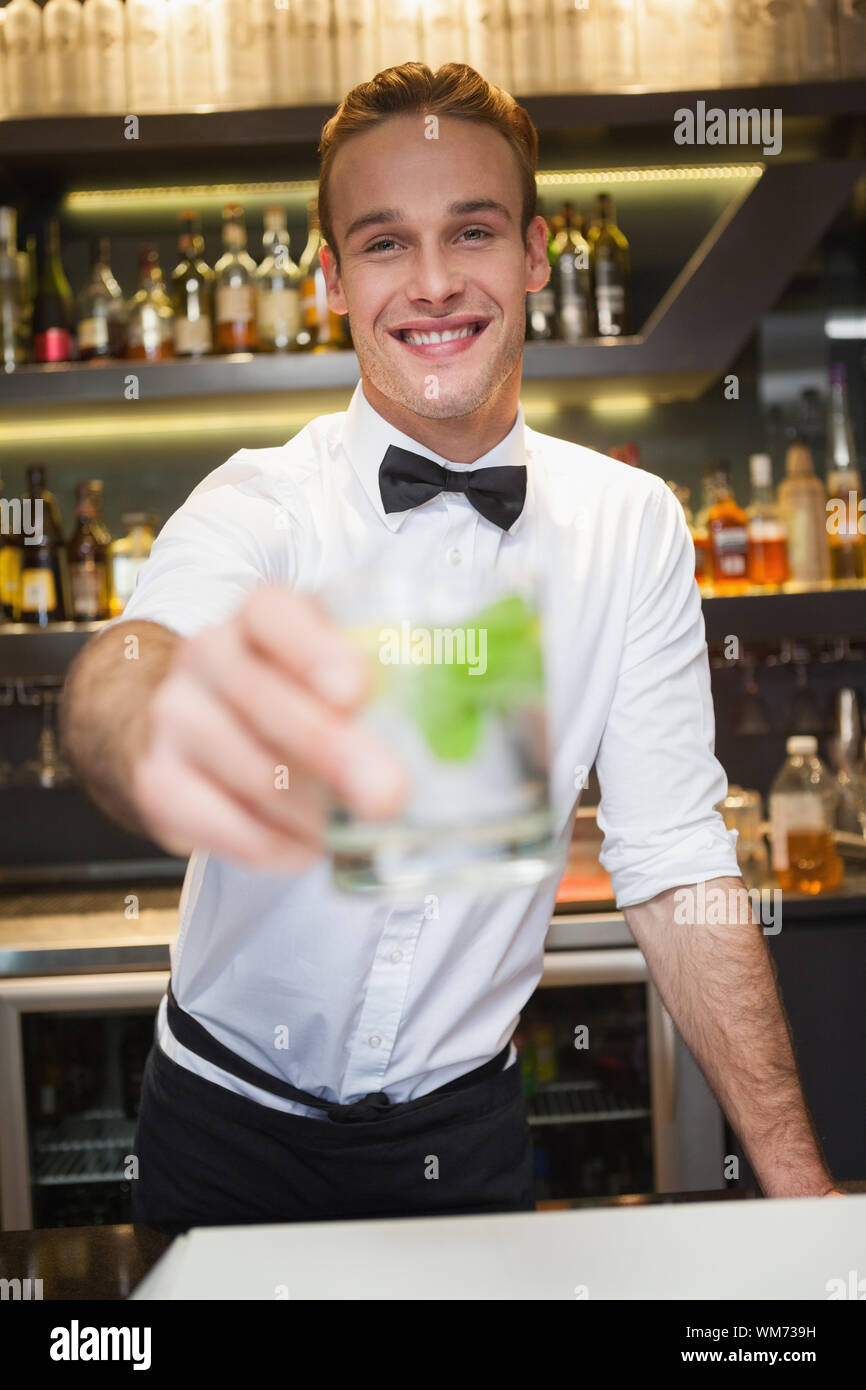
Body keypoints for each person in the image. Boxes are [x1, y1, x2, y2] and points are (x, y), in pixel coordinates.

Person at [61, 62, 841, 1232]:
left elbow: (677, 862)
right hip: (222, 1135)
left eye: (469, 232)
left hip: (462, 1140)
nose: (432, 284)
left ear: (532, 256)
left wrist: (806, 1208)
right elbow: (132, 666)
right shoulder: (261, 502)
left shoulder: (630, 529)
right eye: (384, 244)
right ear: (330, 279)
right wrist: (166, 726)